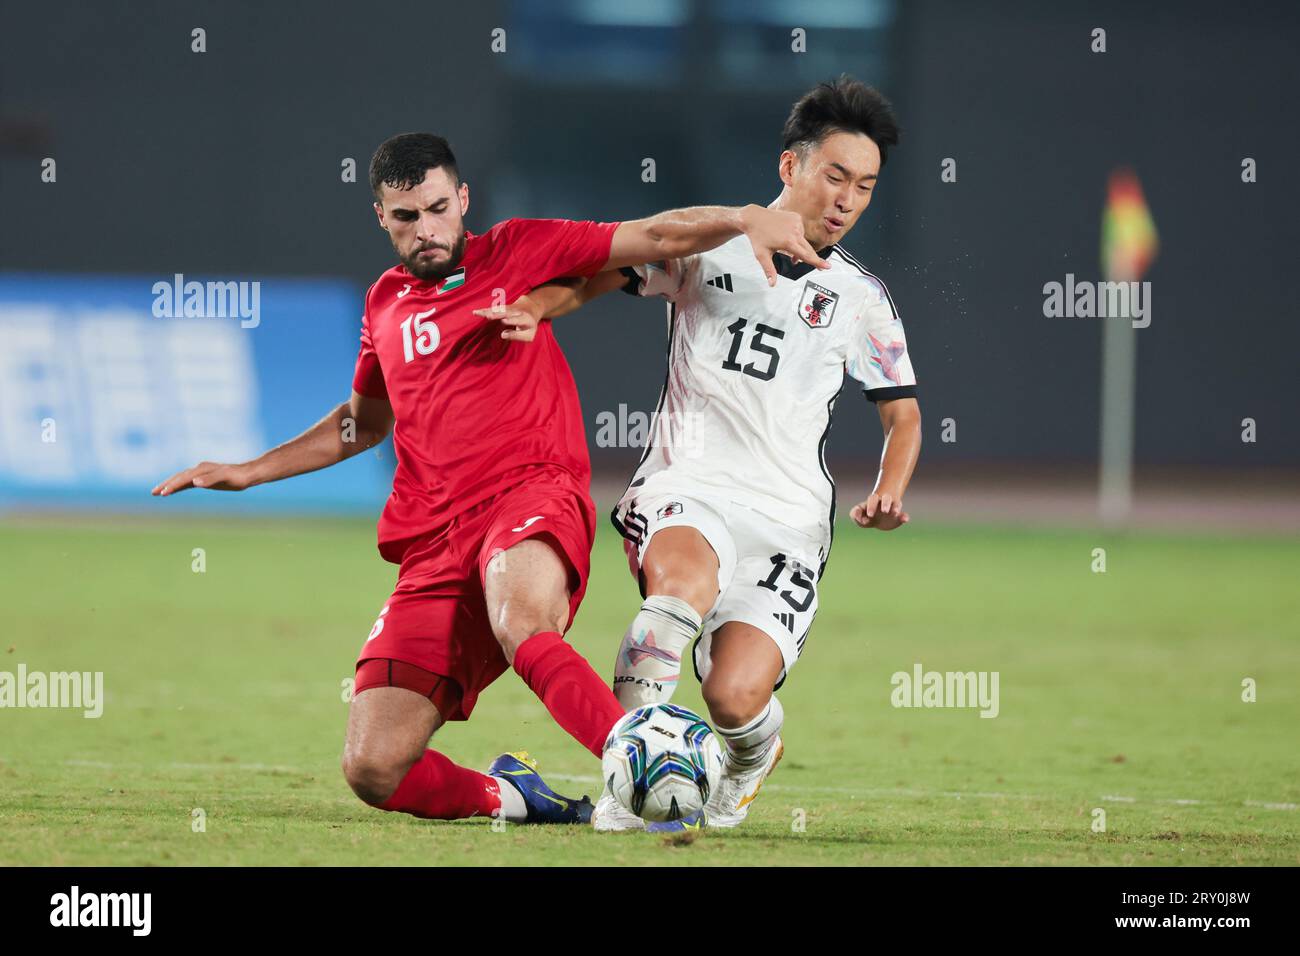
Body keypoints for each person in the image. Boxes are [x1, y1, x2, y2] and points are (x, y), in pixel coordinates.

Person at [152, 132, 828, 826]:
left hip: (531, 493)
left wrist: (745, 217)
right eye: (406, 216)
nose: (427, 229)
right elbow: (364, 423)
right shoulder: (384, 305)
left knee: (520, 617)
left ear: (463, 198)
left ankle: (638, 758)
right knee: (374, 766)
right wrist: (248, 471)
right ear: (380, 217)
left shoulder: (519, 248)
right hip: (434, 546)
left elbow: (654, 234)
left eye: (439, 208)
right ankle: (515, 797)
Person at [485, 77, 922, 831]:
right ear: (791, 168)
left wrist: (890, 489)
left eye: (866, 186)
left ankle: (754, 757)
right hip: (691, 483)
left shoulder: (862, 299)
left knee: (732, 698)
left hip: (787, 520)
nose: (848, 199)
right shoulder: (709, 246)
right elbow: (601, 277)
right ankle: (628, 781)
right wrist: (533, 306)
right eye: (835, 176)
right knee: (671, 602)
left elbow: (904, 417)